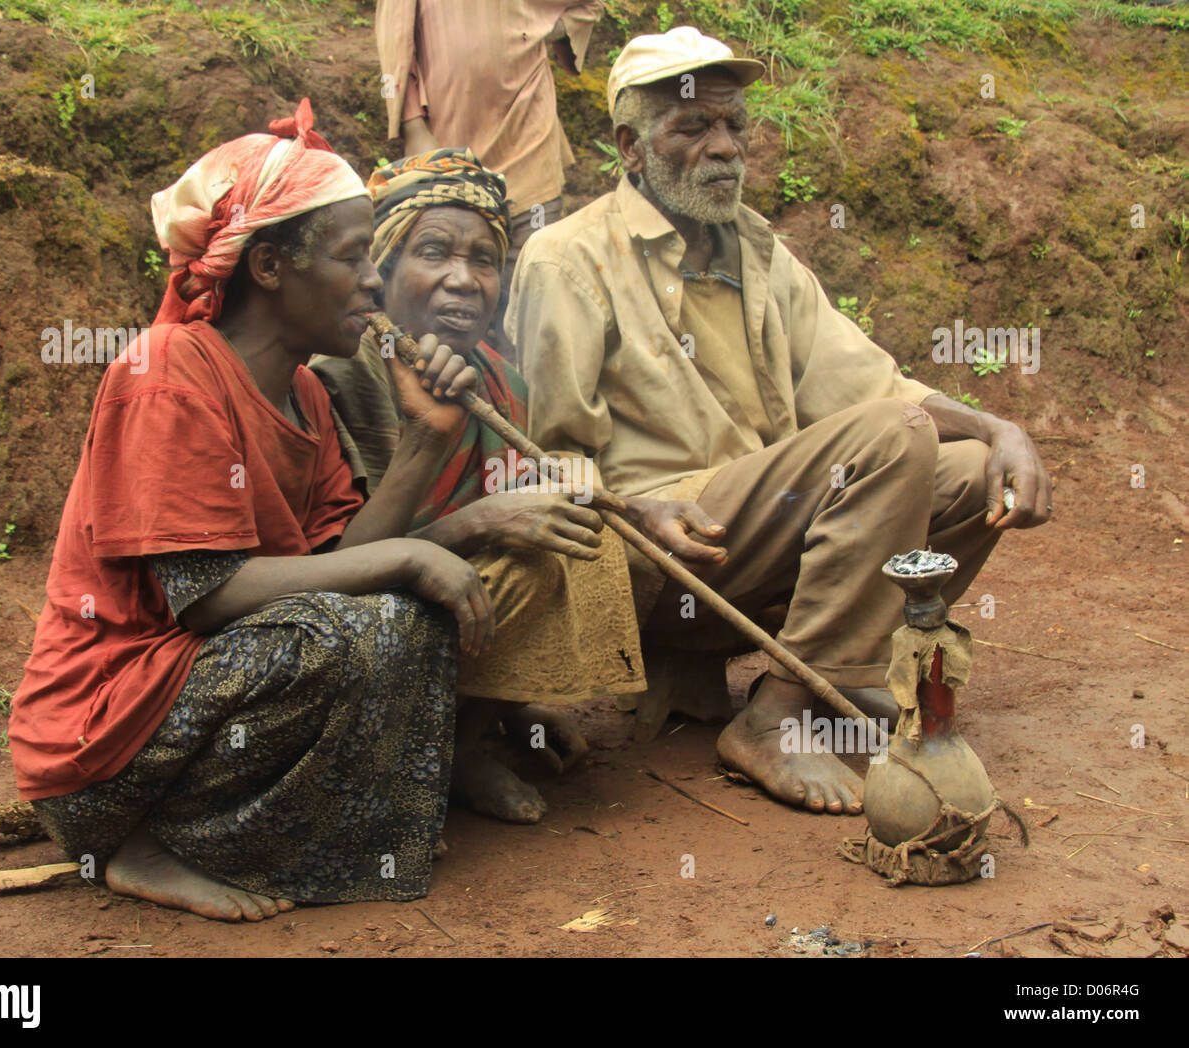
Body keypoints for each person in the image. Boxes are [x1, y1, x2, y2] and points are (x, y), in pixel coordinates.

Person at [507, 28, 1054, 816]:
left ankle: (828, 675)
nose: (724, 147)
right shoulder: (567, 259)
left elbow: (870, 381)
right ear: (630, 147)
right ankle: (777, 718)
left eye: (734, 126)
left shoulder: (757, 249)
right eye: (693, 127)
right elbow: (551, 462)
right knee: (895, 437)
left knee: (970, 474)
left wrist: (1002, 428)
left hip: (757, 540)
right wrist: (636, 511)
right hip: (651, 553)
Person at [9, 100, 496, 921]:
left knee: (394, 617)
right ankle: (141, 845)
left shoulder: (304, 390)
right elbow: (208, 597)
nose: (374, 281)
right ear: (269, 267)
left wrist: (424, 439)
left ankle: (270, 840)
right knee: (348, 626)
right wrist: (416, 555)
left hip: (184, 713)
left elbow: (341, 561)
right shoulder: (167, 371)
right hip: (102, 754)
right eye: (352, 258)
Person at [311, 148, 644, 825]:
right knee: (527, 547)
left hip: (457, 605)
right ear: (385, 267)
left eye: (484, 261)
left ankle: (476, 728)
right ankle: (433, 754)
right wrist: (478, 522)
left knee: (574, 527)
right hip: (364, 620)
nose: (463, 280)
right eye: (434, 253)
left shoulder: (498, 380)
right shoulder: (335, 377)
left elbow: (531, 510)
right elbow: (328, 579)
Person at [375, 0, 605, 354]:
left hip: (527, 131)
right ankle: (447, 392)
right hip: (445, 144)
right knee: (450, 283)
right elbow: (394, 36)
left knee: (532, 287)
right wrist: (411, 123)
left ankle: (519, 396)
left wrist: (533, 29)